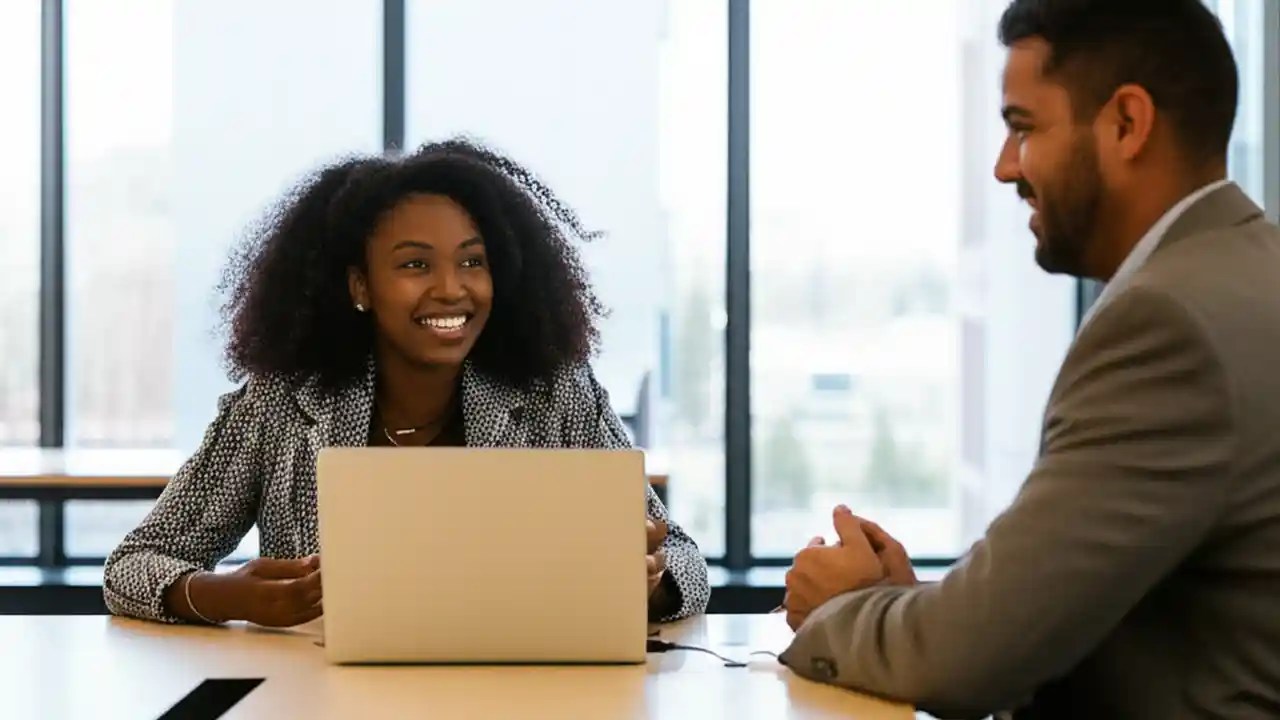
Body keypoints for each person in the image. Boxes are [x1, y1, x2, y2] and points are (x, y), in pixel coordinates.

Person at [779, 0, 1280, 717]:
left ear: (1127, 124)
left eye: (1023, 127)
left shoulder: (1167, 327)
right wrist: (915, 610)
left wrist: (845, 609)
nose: (1004, 166)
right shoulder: (1247, 274)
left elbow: (961, 664)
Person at [103, 139, 710, 628]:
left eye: (473, 262)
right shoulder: (280, 402)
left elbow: (686, 561)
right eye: (415, 265)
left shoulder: (556, 393)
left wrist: (649, 586)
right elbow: (131, 566)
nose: (452, 288)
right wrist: (225, 595)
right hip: (325, 699)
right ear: (360, 286)